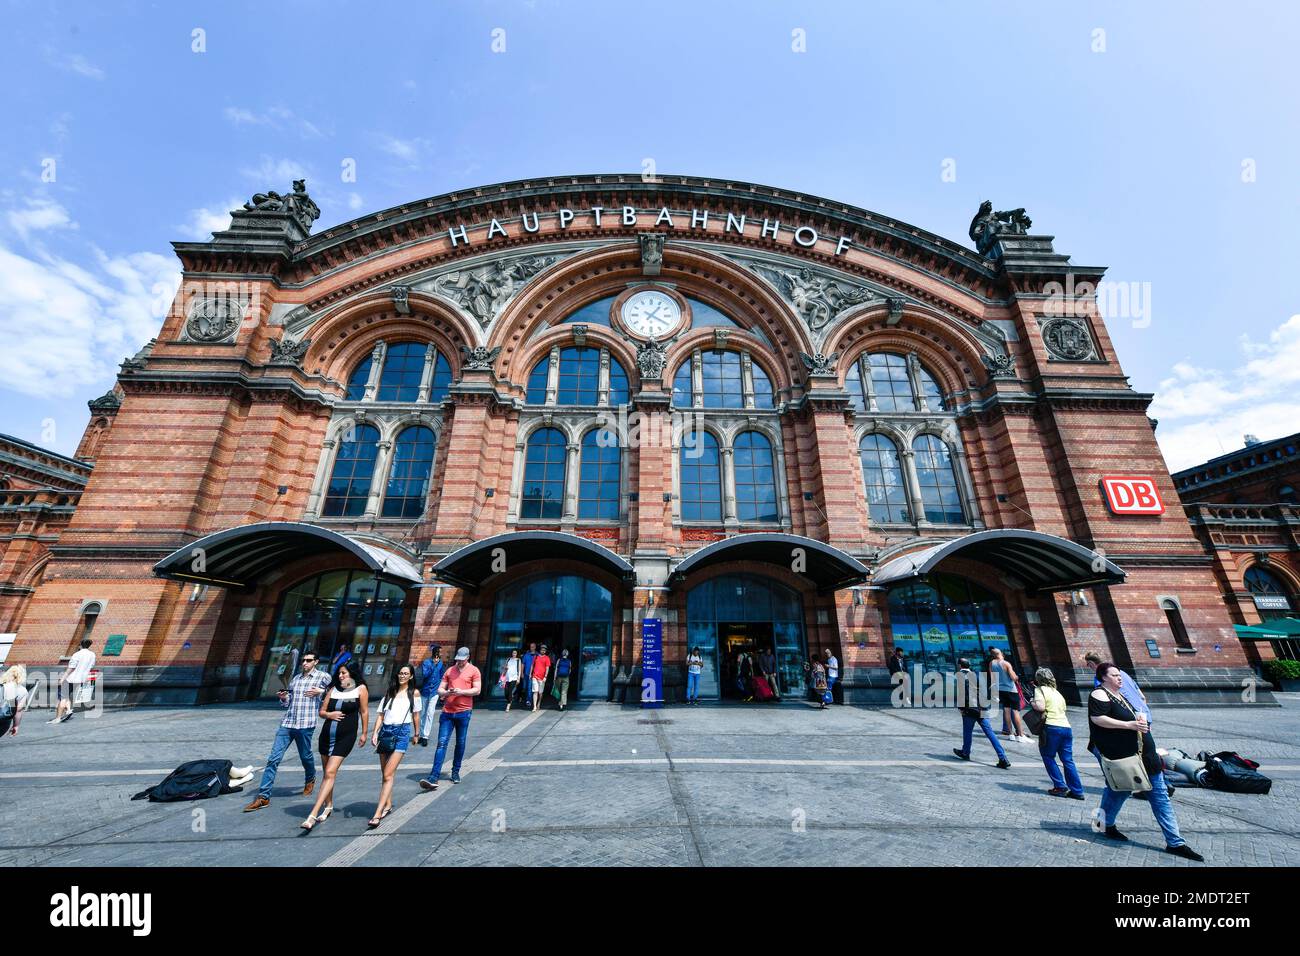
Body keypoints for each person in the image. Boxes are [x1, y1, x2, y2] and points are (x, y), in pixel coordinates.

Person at [1087, 662, 1201, 861]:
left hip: (1146, 757)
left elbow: (1140, 706)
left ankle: (1175, 842)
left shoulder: (1121, 696)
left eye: (1120, 675)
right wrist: (1129, 725)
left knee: (1159, 798)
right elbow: (1098, 718)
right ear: (1103, 677)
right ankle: (1104, 824)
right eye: (1114, 675)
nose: (1119, 678)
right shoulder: (1099, 694)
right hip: (1126, 758)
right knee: (1118, 792)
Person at [244, 650, 332, 812]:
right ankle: (263, 796)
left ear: (316, 662)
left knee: (305, 756)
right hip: (287, 723)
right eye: (303, 660)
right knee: (273, 759)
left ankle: (310, 777)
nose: (305, 663)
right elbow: (289, 702)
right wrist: (284, 697)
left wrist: (322, 691)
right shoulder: (296, 679)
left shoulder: (323, 677)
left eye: (309, 660)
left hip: (306, 724)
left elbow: (335, 692)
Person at [301, 661, 369, 830]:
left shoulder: (360, 689)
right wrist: (330, 714)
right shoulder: (332, 689)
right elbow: (322, 712)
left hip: (345, 737)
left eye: (344, 673)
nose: (340, 676)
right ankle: (329, 805)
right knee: (327, 774)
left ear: (351, 674)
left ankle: (312, 815)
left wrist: (365, 733)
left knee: (330, 772)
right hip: (326, 736)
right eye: (339, 673)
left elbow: (364, 711)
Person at [420, 646, 481, 791]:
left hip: (464, 712)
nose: (459, 662)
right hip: (447, 712)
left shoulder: (474, 671)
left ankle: (455, 772)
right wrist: (447, 692)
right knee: (441, 743)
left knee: (460, 743)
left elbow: (477, 690)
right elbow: (440, 689)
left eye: (462, 660)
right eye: (458, 660)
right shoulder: (450, 670)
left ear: (468, 658)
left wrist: (462, 692)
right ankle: (434, 776)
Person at [368, 663, 420, 828]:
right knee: (385, 773)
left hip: (402, 733)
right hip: (386, 732)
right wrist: (375, 732)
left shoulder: (414, 693)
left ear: (411, 676)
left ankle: (378, 813)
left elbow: (416, 716)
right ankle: (388, 805)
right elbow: (381, 715)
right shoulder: (390, 692)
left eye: (406, 673)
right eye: (400, 673)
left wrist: (417, 734)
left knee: (388, 773)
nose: (402, 676)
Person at [1030, 667, 1083, 799]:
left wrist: (1032, 702)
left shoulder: (1039, 689)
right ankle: (1077, 790)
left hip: (1051, 727)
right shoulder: (1057, 693)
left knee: (1048, 756)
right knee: (1068, 760)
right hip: (1066, 727)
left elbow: (1041, 707)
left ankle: (1060, 786)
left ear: (1038, 679)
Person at [952, 658, 1011, 768]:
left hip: (970, 709)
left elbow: (962, 694)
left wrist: (961, 708)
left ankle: (965, 753)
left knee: (968, 732)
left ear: (960, 666)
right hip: (983, 708)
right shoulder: (977, 674)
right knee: (990, 733)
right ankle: (1003, 757)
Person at [50, 637, 96, 723]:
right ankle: (68, 710)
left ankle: (58, 718)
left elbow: (70, 669)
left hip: (71, 679)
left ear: (80, 645)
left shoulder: (77, 654)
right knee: (67, 695)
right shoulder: (92, 655)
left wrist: (62, 679)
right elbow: (91, 666)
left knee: (63, 698)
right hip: (81, 680)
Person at [989, 648, 1030, 742]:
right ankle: (1020, 735)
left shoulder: (992, 663)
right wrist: (1017, 676)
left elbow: (993, 678)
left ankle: (1011, 734)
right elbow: (1013, 678)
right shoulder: (1006, 663)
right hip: (1011, 690)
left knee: (1006, 710)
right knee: (1015, 712)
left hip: (1001, 690)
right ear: (1001, 653)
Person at [417, 643, 444, 746]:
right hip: (425, 690)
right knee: (423, 712)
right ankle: (419, 734)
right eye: (440, 652)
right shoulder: (426, 662)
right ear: (435, 652)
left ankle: (425, 736)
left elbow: (442, 677)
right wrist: (433, 665)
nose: (441, 654)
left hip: (434, 692)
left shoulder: (441, 664)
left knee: (430, 713)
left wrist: (441, 691)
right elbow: (425, 674)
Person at [1, 665, 31, 740]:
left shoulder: (2, 686)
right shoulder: (22, 691)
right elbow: (18, 710)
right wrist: (16, 726)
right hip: (3, 720)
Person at [530, 644, 552, 712]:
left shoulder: (547, 658)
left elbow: (547, 668)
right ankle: (534, 706)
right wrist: (530, 674)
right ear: (540, 650)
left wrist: (545, 676)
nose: (543, 651)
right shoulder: (536, 657)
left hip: (542, 678)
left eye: (544, 650)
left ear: (546, 651)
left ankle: (539, 703)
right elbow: (532, 665)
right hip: (535, 676)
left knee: (540, 693)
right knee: (535, 691)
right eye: (542, 650)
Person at [520, 641, 538, 707]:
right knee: (524, 687)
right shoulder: (526, 655)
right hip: (526, 674)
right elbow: (522, 664)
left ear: (535, 647)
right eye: (531, 647)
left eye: (533, 647)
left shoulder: (537, 655)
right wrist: (521, 673)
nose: (531, 648)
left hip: (533, 674)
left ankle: (528, 700)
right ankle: (525, 698)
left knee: (529, 687)